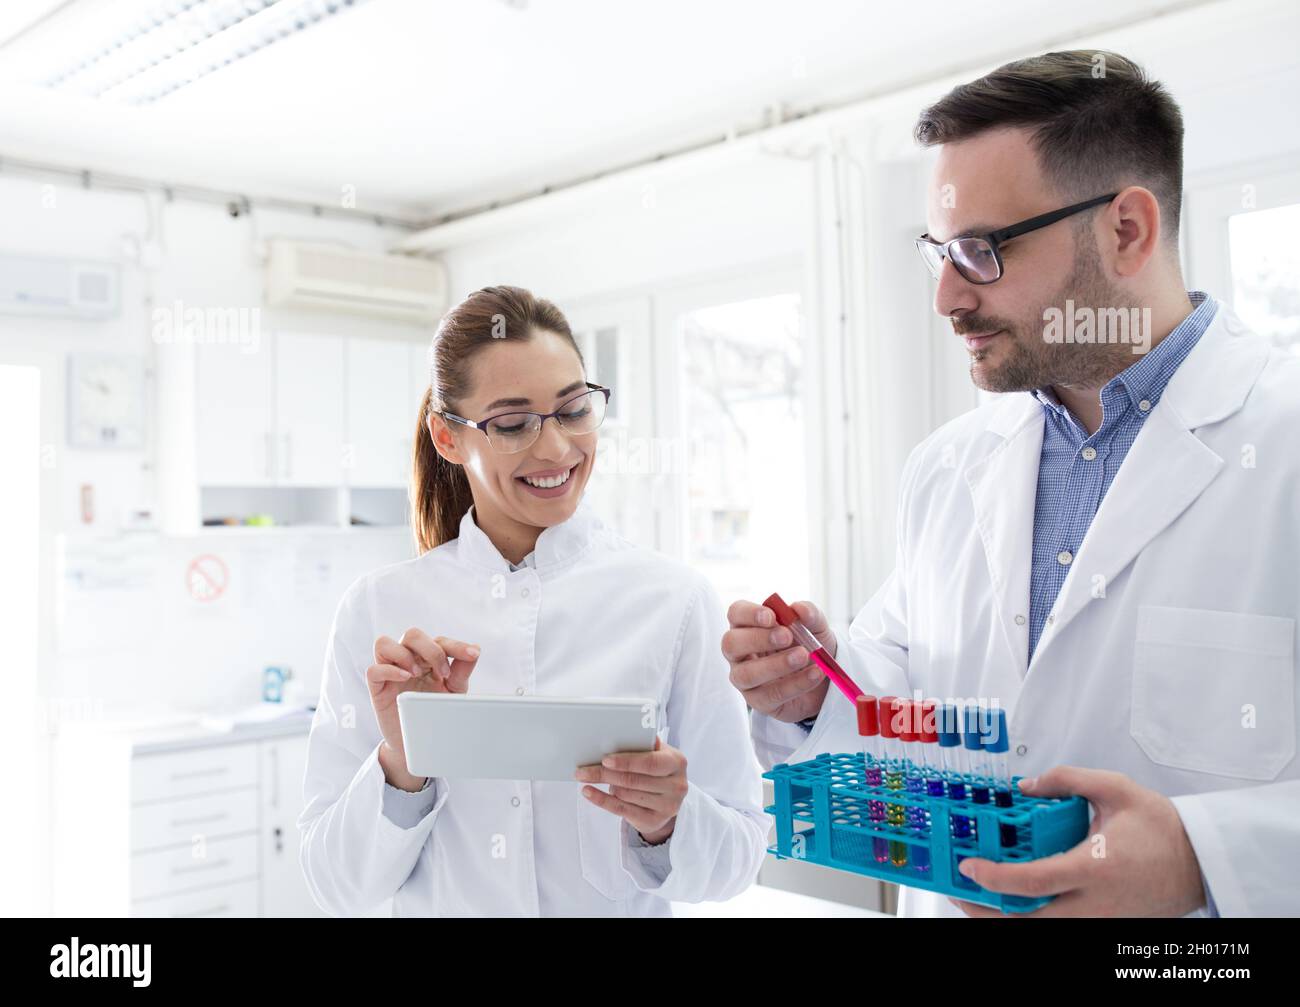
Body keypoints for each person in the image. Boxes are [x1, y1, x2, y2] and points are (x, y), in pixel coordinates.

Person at [724, 51, 1299, 917]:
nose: (947, 297)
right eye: (939, 254)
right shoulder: (949, 468)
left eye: (982, 251)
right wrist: (816, 693)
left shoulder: (1282, 446)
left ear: (1127, 231)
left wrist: (1202, 857)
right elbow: (905, 696)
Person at [300, 285, 766, 916]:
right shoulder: (379, 611)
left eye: (573, 410)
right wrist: (403, 762)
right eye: (513, 424)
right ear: (446, 438)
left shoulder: (673, 602)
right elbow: (335, 887)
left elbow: (738, 858)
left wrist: (667, 823)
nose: (554, 450)